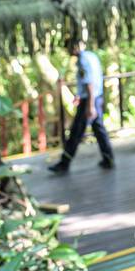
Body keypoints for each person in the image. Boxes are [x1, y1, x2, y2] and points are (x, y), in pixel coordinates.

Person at [48, 39, 114, 173]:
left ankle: (64, 163)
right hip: (96, 97)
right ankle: (108, 158)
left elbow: (89, 83)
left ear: (74, 47)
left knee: (76, 132)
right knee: (98, 129)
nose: (68, 52)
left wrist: (90, 106)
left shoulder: (82, 59)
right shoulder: (92, 56)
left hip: (89, 101)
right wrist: (81, 95)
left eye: (68, 49)